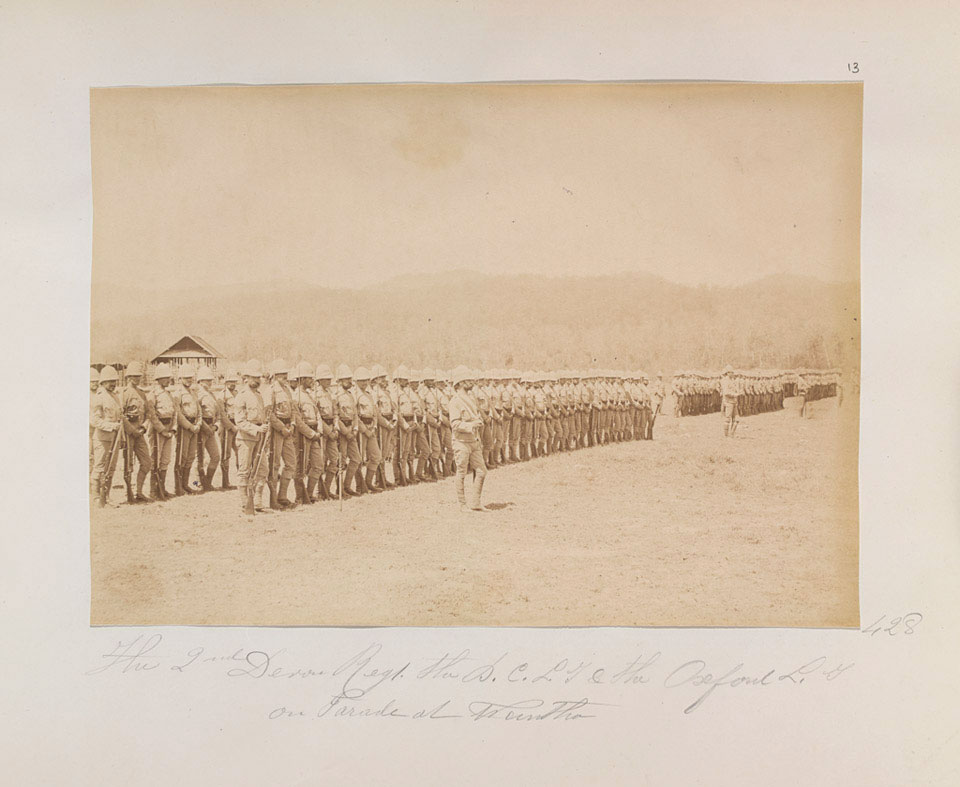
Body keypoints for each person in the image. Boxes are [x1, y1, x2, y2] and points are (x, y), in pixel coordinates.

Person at [447, 365, 487, 512]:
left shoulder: (471, 399)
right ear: (461, 383)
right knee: (461, 472)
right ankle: (462, 504)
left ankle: (475, 502)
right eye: (468, 380)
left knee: (482, 471)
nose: (471, 383)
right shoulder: (455, 402)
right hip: (461, 442)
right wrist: (472, 424)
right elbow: (455, 424)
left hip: (474, 441)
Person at [234, 359, 271, 515]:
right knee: (244, 471)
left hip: (259, 439)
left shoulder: (259, 395)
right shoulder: (241, 396)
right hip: (245, 439)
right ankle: (245, 503)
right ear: (246, 378)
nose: (256, 380)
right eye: (253, 377)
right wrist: (257, 428)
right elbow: (240, 421)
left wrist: (265, 427)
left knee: (262, 470)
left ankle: (257, 501)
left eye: (258, 378)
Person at [120, 361, 154, 502]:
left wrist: (144, 427)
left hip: (140, 433)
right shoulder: (124, 394)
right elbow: (120, 415)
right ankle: (128, 494)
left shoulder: (142, 393)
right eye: (133, 376)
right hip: (128, 434)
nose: (136, 379)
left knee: (147, 463)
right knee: (128, 466)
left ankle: (139, 492)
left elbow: (148, 414)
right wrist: (131, 430)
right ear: (128, 377)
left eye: (138, 376)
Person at [90, 365, 123, 507]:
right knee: (99, 467)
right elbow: (94, 420)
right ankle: (97, 497)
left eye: (114, 381)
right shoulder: (99, 398)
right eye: (109, 381)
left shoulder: (116, 397)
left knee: (111, 468)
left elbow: (120, 418)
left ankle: (107, 496)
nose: (113, 384)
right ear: (102, 382)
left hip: (114, 439)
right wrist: (110, 427)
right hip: (102, 438)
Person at [291, 362, 322, 503]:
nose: (311, 381)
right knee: (300, 468)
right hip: (302, 436)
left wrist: (319, 429)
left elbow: (317, 414)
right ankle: (300, 497)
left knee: (318, 465)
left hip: (314, 434)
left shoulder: (309, 395)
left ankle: (308, 494)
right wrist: (311, 433)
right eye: (309, 378)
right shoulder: (295, 396)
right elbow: (297, 420)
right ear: (302, 379)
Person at [147, 363, 178, 500]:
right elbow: (152, 415)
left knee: (165, 460)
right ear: (158, 379)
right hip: (157, 431)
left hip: (169, 430)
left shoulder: (169, 394)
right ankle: (153, 491)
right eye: (164, 378)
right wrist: (162, 430)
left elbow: (174, 412)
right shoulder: (152, 395)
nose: (167, 380)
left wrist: (173, 429)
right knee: (155, 460)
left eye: (168, 378)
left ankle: (162, 489)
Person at [354, 367, 384, 493]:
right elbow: (355, 415)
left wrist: (374, 426)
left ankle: (368, 482)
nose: (364, 383)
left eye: (366, 380)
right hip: (361, 430)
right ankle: (360, 486)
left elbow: (375, 413)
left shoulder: (368, 395)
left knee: (376, 456)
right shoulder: (355, 395)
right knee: (359, 459)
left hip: (371, 428)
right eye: (361, 381)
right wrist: (364, 429)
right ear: (356, 381)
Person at [174, 364, 202, 494]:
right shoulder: (177, 394)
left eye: (190, 378)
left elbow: (199, 410)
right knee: (182, 457)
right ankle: (178, 486)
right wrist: (190, 426)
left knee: (190, 456)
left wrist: (198, 423)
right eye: (186, 378)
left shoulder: (193, 392)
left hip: (194, 426)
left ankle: (185, 484)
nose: (189, 380)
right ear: (180, 379)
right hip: (184, 428)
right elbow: (178, 414)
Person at [314, 364, 341, 500]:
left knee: (334, 460)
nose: (328, 382)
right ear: (319, 380)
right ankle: (319, 491)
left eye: (329, 379)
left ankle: (326, 488)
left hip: (332, 429)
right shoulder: (315, 395)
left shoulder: (331, 394)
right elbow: (318, 415)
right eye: (325, 379)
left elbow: (336, 412)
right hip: (322, 431)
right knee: (320, 462)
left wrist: (336, 427)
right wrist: (328, 431)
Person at [335, 364, 362, 496]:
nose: (349, 382)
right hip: (342, 431)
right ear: (340, 381)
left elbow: (355, 414)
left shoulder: (351, 395)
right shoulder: (336, 396)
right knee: (341, 461)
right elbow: (336, 417)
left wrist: (355, 429)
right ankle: (339, 489)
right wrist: (346, 432)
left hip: (352, 429)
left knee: (356, 459)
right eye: (346, 379)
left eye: (350, 379)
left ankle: (347, 486)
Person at [195, 366, 221, 492]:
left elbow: (218, 413)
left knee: (216, 456)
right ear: (200, 381)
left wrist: (215, 426)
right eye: (206, 380)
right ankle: (196, 484)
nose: (209, 382)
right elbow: (197, 413)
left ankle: (208, 482)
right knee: (198, 459)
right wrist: (205, 427)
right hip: (201, 428)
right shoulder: (197, 394)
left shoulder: (212, 394)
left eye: (210, 380)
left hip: (212, 427)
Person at [217, 369, 239, 490]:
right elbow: (222, 416)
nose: (232, 383)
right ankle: (225, 482)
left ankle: (241, 480)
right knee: (226, 454)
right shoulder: (222, 395)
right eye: (230, 381)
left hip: (237, 425)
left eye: (234, 381)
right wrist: (232, 427)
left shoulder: (237, 393)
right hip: (227, 427)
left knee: (240, 452)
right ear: (225, 382)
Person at [720, 365, 739, 437]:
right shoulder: (725, 381)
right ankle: (726, 435)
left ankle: (732, 434)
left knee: (736, 419)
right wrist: (734, 394)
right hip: (729, 402)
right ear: (728, 373)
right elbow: (726, 392)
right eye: (731, 372)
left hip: (734, 401)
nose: (733, 374)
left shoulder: (732, 380)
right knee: (728, 419)